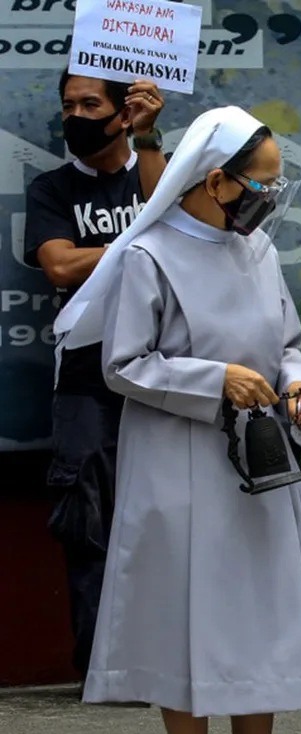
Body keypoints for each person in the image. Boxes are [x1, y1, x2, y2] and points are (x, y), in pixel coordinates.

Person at [57, 106, 301, 734]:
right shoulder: (149, 254)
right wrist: (214, 379)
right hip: (179, 457)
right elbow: (124, 363)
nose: (268, 198)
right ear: (211, 181)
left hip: (257, 460)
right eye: (257, 184)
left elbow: (287, 341)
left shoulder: (255, 250)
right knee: (186, 620)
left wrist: (300, 387)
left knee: (256, 617)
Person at [24, 70, 167, 679]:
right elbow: (59, 265)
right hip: (86, 378)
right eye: (68, 105)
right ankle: (99, 672)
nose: (75, 116)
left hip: (163, 374)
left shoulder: (158, 172)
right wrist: (137, 248)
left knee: (165, 518)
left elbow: (180, 229)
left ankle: (162, 664)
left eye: (90, 104)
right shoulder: (52, 188)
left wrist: (152, 138)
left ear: (123, 111)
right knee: (88, 523)